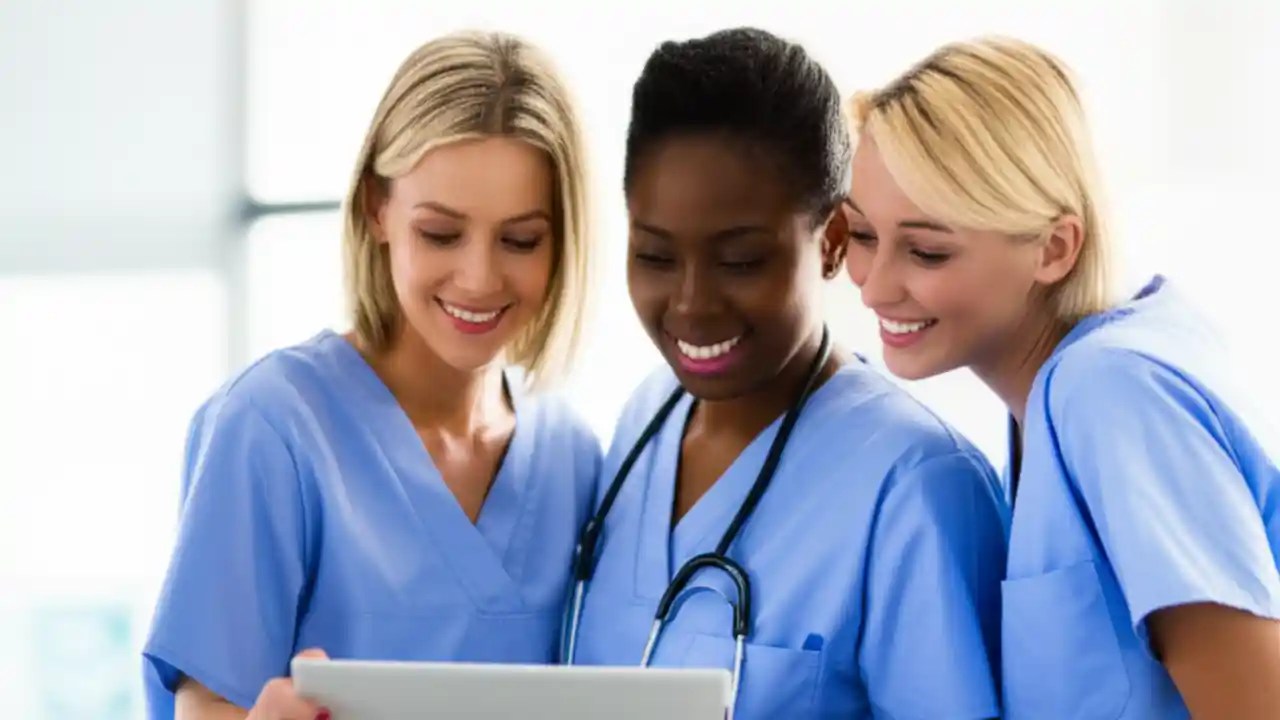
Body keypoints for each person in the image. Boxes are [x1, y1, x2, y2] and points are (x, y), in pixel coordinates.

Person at [142, 30, 601, 719]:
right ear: (375, 209)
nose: (478, 279)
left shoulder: (574, 456)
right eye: (440, 234)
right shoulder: (271, 428)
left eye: (520, 240)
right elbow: (206, 703)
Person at [566, 28, 1009, 720]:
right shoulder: (643, 423)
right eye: (655, 256)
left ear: (831, 242)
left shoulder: (918, 489)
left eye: (740, 261)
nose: (690, 304)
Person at [843, 35, 1280, 719]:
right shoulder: (1054, 400)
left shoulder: (1113, 392)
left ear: (1053, 248)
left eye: (926, 251)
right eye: (861, 236)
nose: (873, 288)